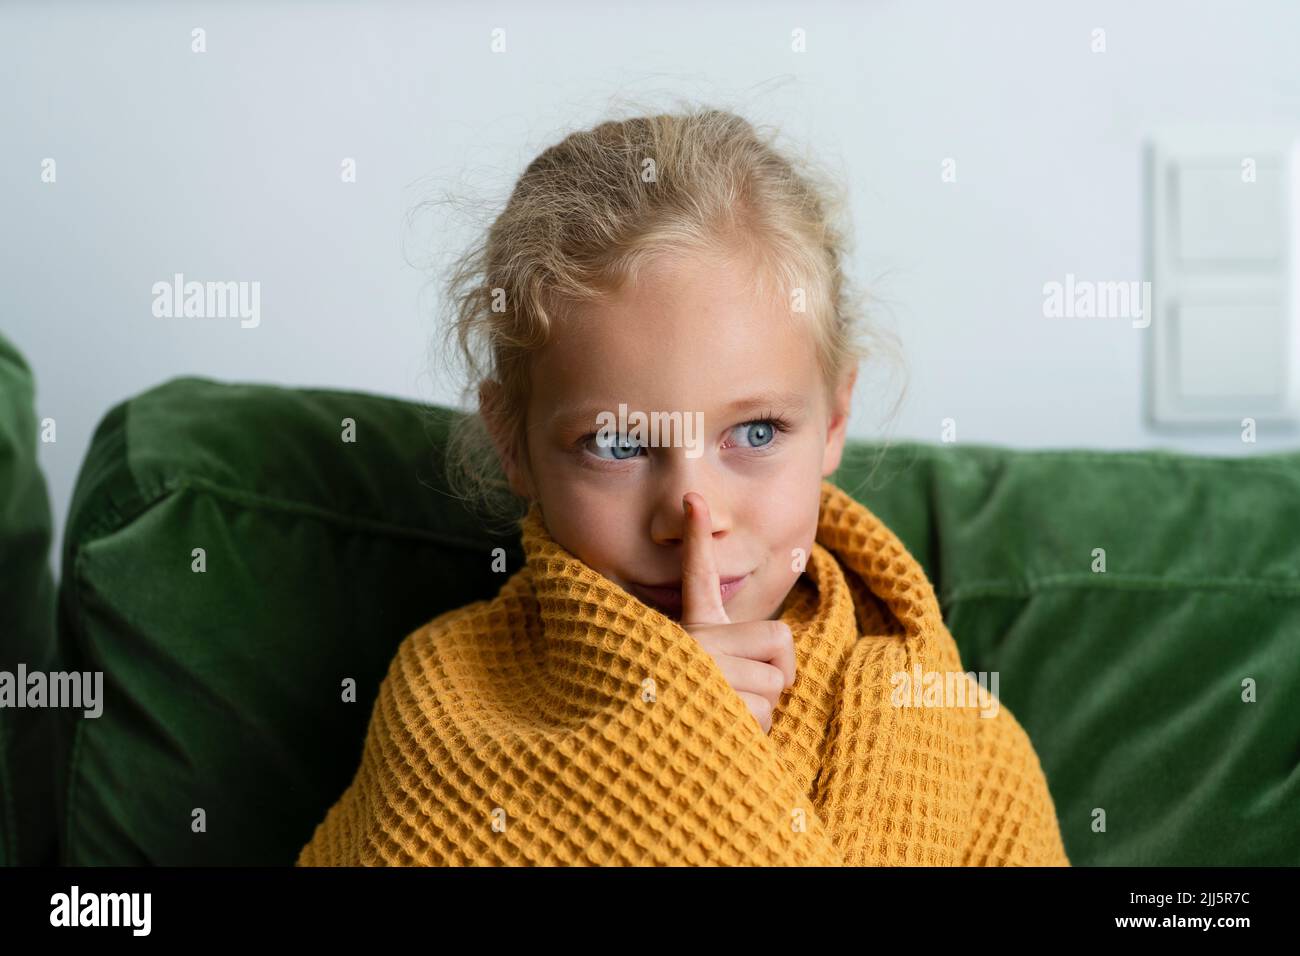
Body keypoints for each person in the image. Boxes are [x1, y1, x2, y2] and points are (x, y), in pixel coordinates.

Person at [296, 106, 1070, 866]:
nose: (692, 519)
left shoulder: (959, 736)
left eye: (756, 433)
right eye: (619, 443)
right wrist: (671, 765)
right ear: (514, 441)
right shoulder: (449, 701)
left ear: (835, 420)